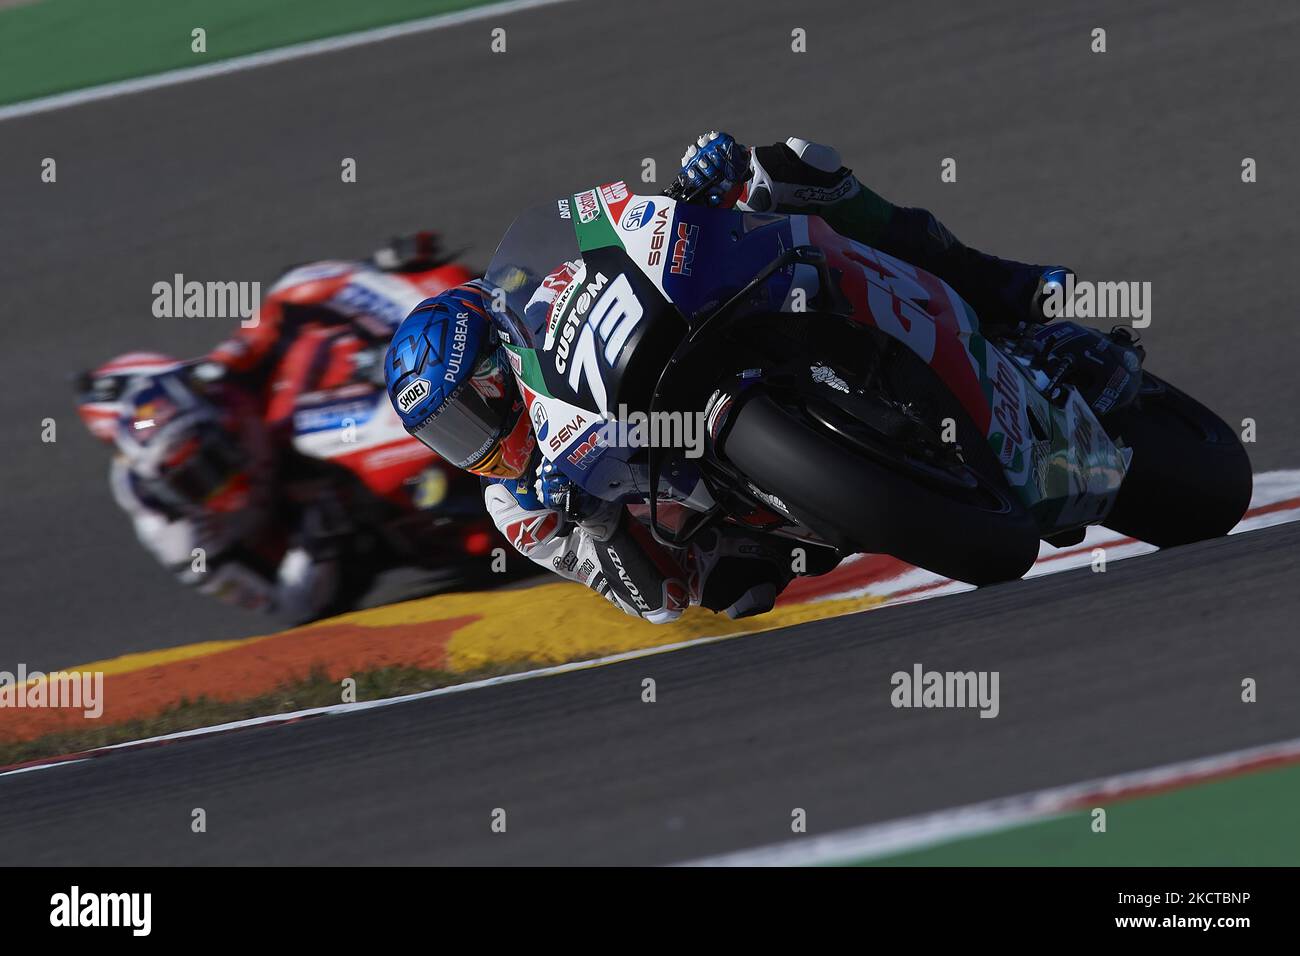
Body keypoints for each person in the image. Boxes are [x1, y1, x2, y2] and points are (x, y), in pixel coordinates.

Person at [386, 133, 1071, 623]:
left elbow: (610, 232)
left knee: (791, 168)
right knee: (732, 591)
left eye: (475, 408)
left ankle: (997, 284)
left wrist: (690, 194)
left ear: (499, 356)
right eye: (451, 437)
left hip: (673, 353)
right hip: (729, 525)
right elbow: (657, 603)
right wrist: (596, 521)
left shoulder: (535, 300)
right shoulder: (518, 508)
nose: (478, 444)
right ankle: (865, 487)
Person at [77, 233, 474, 622]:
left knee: (294, 288)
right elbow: (287, 604)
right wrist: (316, 539)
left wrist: (370, 274)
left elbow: (267, 318)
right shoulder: (185, 543)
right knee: (391, 483)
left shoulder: (212, 386)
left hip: (285, 420)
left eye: (214, 459)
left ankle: (434, 308)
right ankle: (454, 473)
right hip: (317, 530)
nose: (220, 479)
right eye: (197, 484)